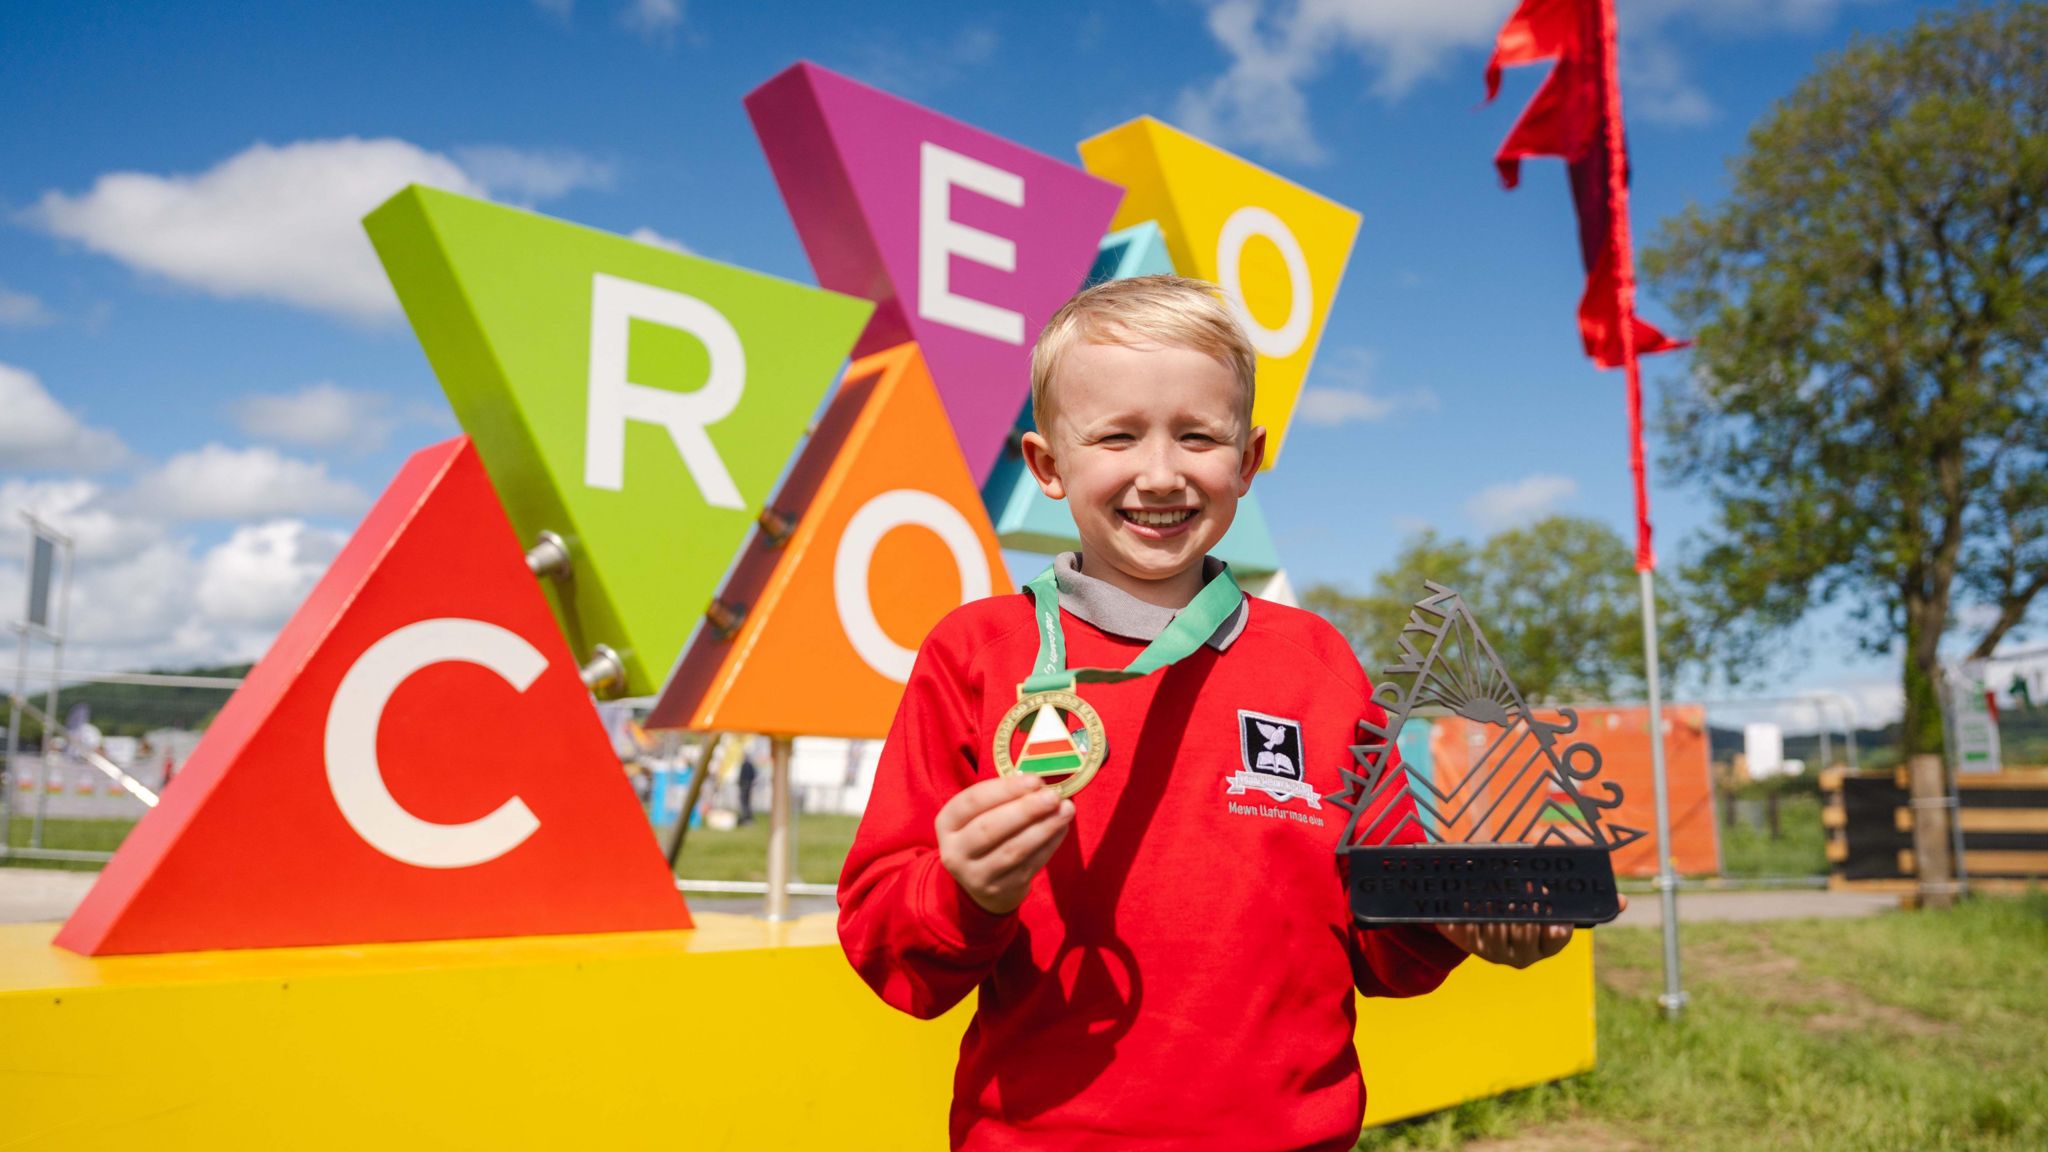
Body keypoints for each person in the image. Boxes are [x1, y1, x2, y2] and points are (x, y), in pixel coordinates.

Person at [837, 275, 1589, 1151]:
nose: (1161, 473)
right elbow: (890, 949)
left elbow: (1380, 943)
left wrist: (1463, 918)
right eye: (1117, 435)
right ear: (1047, 465)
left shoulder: (1318, 663)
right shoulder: (974, 654)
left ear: (1249, 457)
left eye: (1198, 437)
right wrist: (964, 891)